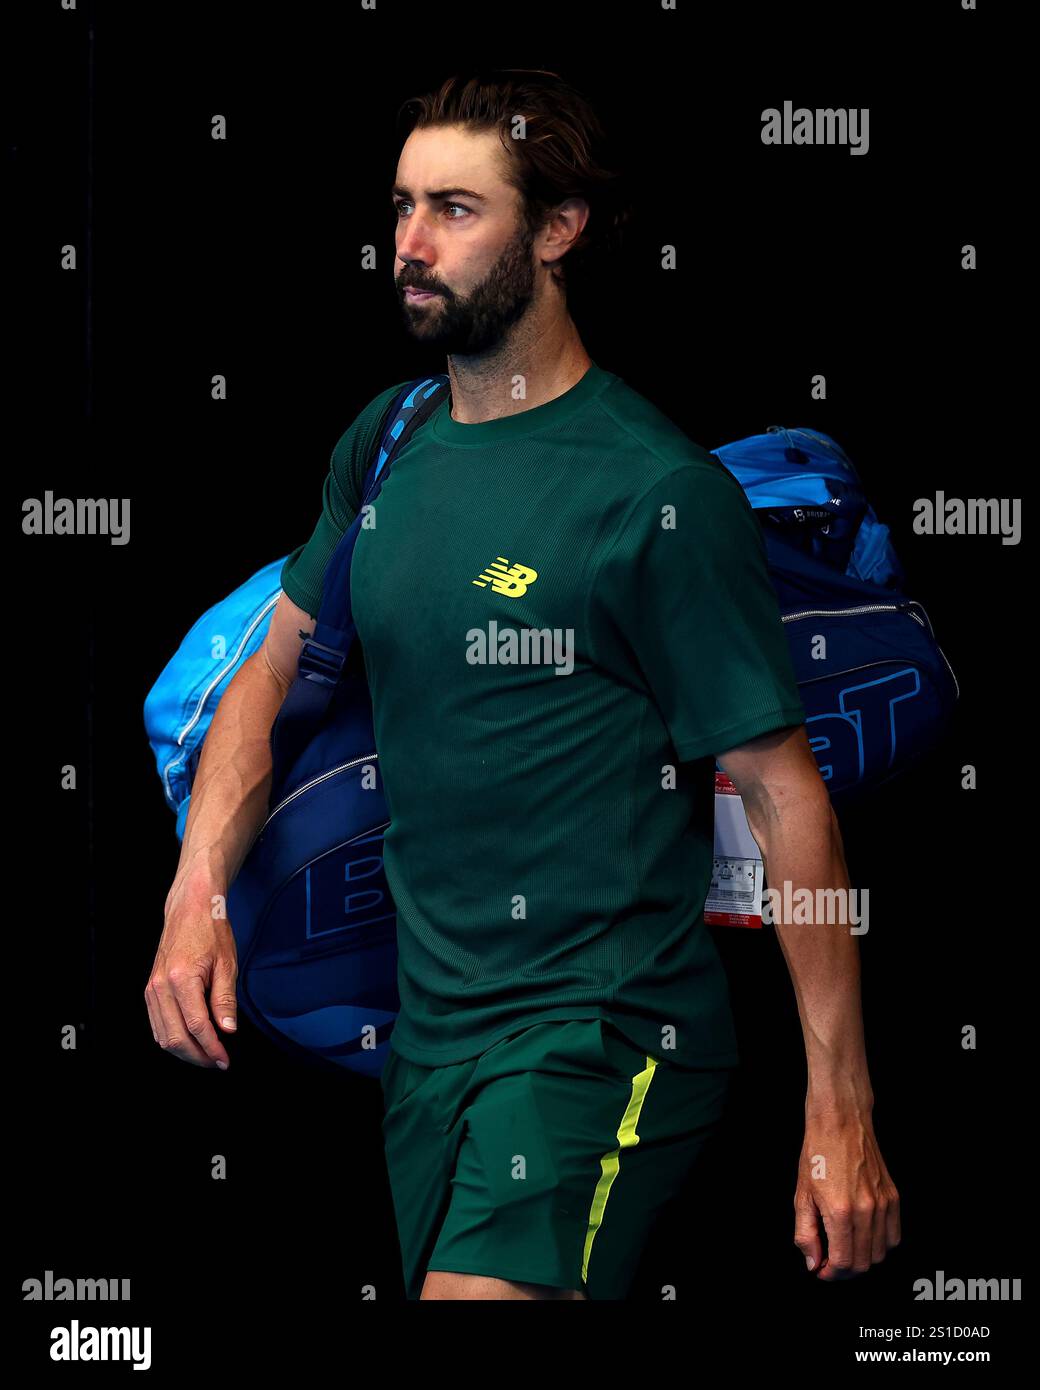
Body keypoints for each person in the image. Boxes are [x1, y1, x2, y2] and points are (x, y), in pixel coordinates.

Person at [146, 68, 900, 1301]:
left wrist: (841, 1105)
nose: (408, 245)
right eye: (399, 207)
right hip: (425, 1044)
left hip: (601, 1030)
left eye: (455, 208)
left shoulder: (650, 493)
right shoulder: (386, 442)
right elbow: (269, 666)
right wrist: (196, 893)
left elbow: (780, 794)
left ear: (556, 232)